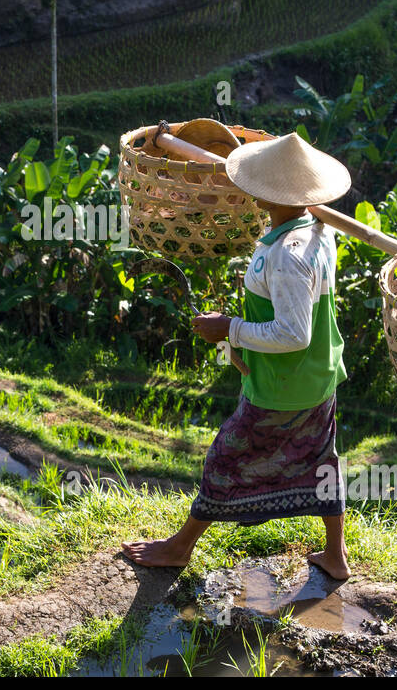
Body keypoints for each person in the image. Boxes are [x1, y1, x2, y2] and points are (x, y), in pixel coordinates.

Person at [122, 131, 353, 579]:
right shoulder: (318, 232)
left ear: (271, 194)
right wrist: (239, 326)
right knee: (323, 459)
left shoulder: (287, 256)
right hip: (319, 377)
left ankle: (180, 547)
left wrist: (229, 329)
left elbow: (293, 334)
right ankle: (335, 557)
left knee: (226, 457)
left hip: (282, 386)